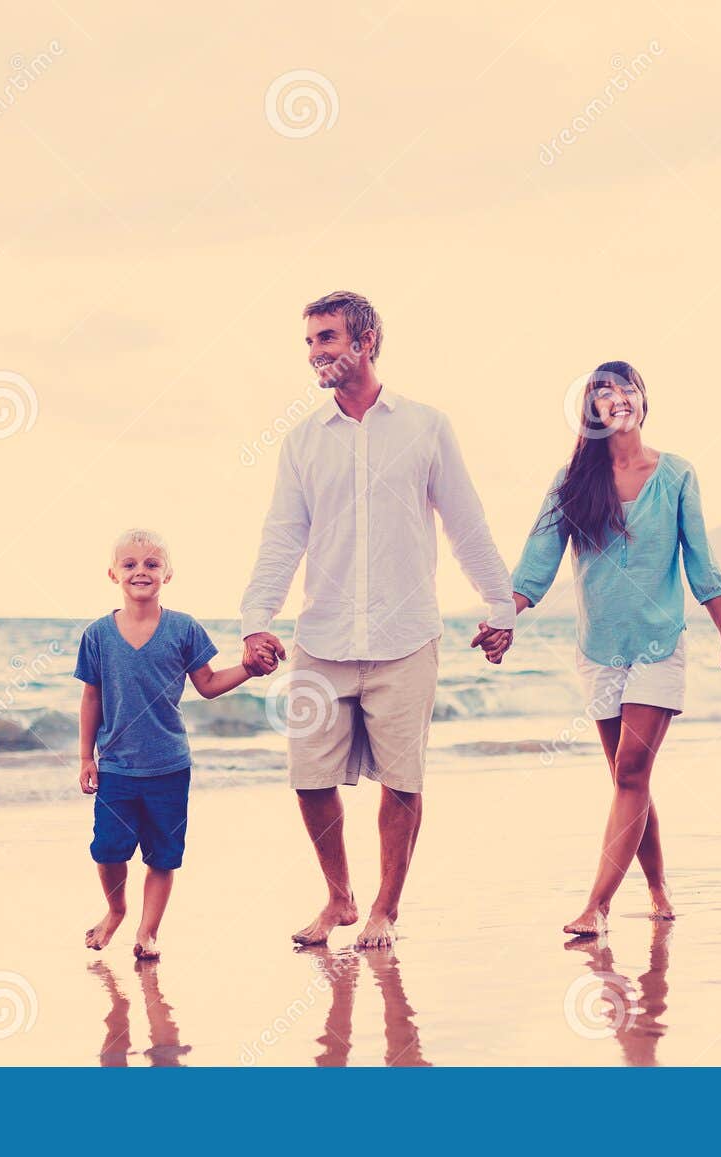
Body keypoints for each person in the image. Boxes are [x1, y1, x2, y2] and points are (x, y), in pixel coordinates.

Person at [239, 290, 516, 950]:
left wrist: (499, 604)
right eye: (309, 341)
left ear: (366, 340)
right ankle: (340, 898)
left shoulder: (426, 426)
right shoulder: (303, 442)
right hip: (323, 636)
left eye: (327, 338)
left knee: (403, 779)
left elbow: (465, 520)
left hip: (406, 636)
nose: (315, 353)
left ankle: (385, 910)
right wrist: (256, 618)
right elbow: (283, 534)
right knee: (308, 777)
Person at [510, 361, 721, 937]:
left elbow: (702, 560)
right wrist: (504, 619)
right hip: (598, 650)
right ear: (590, 412)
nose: (615, 397)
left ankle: (597, 905)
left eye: (625, 387)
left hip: (658, 644)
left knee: (631, 773)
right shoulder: (572, 482)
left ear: (644, 401)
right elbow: (537, 559)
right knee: (629, 779)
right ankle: (657, 884)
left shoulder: (677, 475)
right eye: (601, 391)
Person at [76, 528, 274, 959]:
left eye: (151, 564)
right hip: (115, 768)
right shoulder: (97, 635)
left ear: (168, 573)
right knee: (108, 849)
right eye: (129, 564)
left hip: (169, 766)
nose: (140, 572)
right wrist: (85, 757)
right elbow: (91, 696)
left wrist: (248, 670)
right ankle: (116, 910)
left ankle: (147, 933)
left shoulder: (183, 628)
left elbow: (207, 684)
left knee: (163, 857)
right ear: (113, 574)